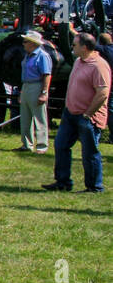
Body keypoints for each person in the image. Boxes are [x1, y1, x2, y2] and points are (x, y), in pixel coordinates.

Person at [43, 33, 110, 192]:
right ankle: (62, 182)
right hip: (70, 114)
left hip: (88, 117)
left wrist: (88, 114)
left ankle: (94, 187)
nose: (72, 47)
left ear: (85, 47)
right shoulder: (79, 61)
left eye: (74, 45)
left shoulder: (99, 65)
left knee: (89, 153)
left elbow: (103, 93)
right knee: (61, 145)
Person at [16, 30, 51, 154]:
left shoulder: (42, 56)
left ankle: (42, 146)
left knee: (39, 118)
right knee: (25, 117)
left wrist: (44, 92)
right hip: (26, 86)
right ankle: (26, 144)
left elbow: (47, 75)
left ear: (32, 43)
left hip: (37, 86)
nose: (23, 44)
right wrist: (22, 91)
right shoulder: (27, 55)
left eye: (25, 41)